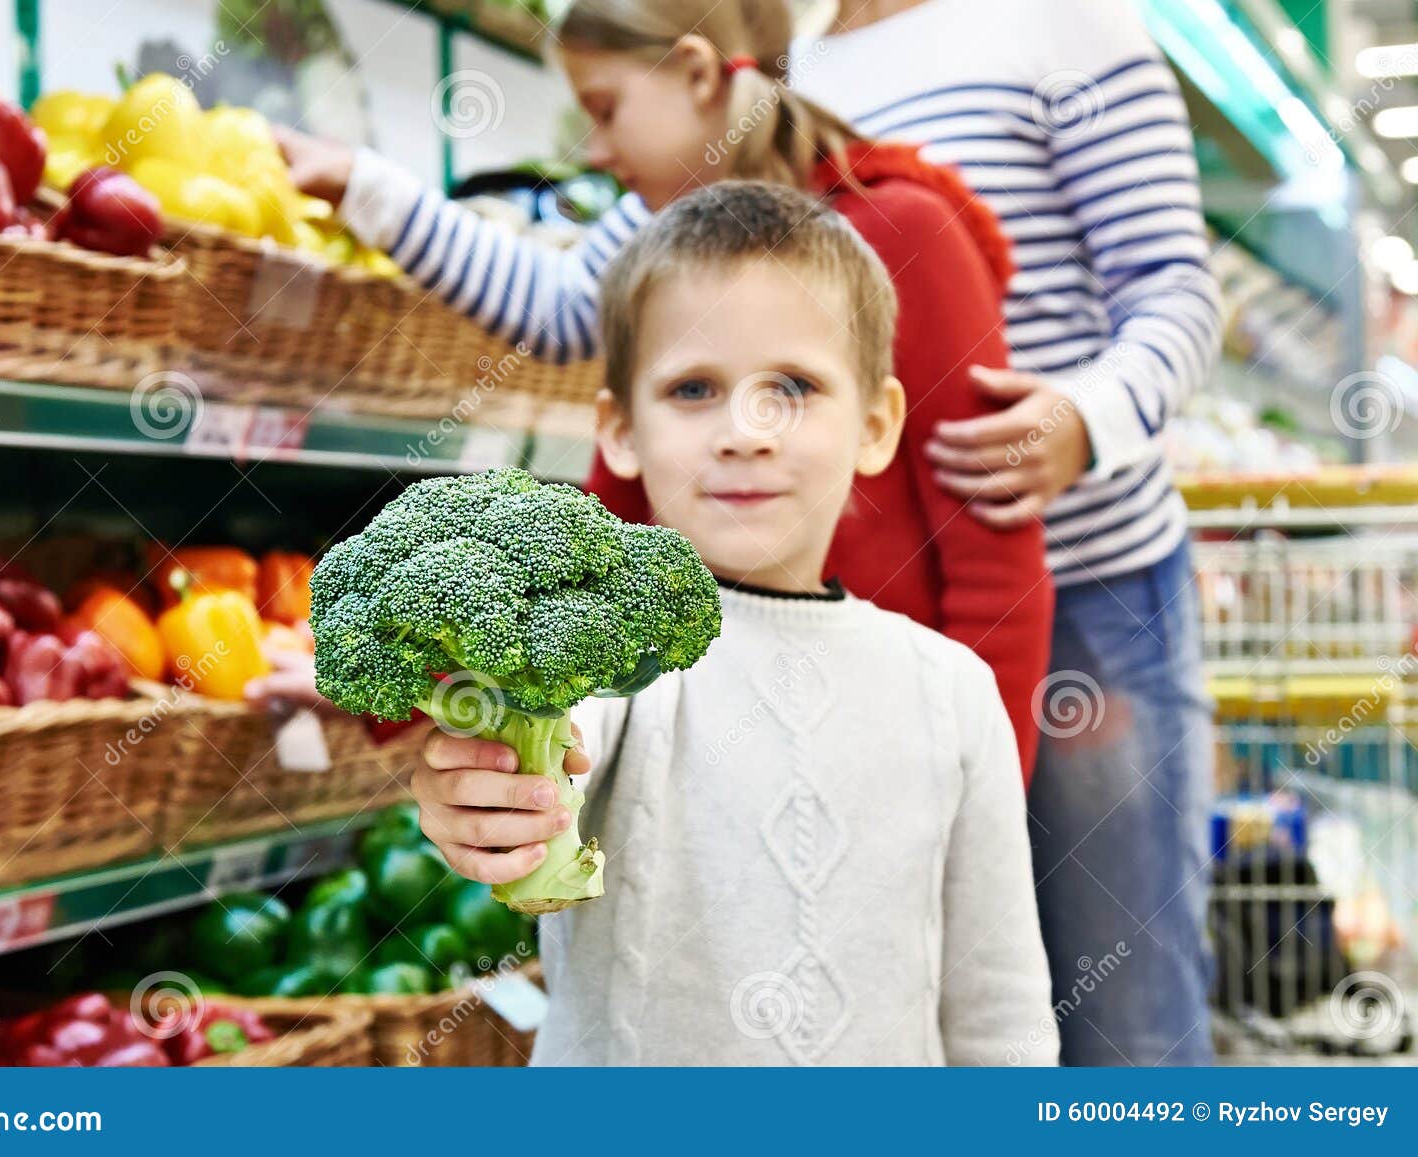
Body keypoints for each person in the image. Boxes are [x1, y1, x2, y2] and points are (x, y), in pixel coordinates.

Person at [282, 0, 1218, 1065]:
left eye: (601, 109)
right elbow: (562, 314)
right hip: (760, 630)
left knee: (1112, 979)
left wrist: (1089, 419)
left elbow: (1176, 293)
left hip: (1070, 575)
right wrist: (456, 735)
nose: (742, 427)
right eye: (691, 388)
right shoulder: (733, 143)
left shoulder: (1052, 50)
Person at [276, 0, 1053, 780]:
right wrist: (400, 679)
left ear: (695, 71)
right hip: (721, 764)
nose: (600, 150)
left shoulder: (903, 229)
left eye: (607, 111)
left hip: (884, 752)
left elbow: (993, 554)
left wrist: (976, 784)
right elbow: (598, 556)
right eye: (690, 390)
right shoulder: (655, 248)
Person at [413, 180, 1055, 1065]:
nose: (744, 431)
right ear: (621, 430)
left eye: (791, 386)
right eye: (693, 388)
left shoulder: (953, 691)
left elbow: (1001, 1008)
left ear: (875, 425)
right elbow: (545, 769)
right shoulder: (603, 667)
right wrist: (484, 804)